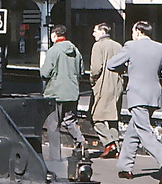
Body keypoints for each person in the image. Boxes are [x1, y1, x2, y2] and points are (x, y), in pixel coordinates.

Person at [107, 21, 162, 184]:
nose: (132, 34)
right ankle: (125, 167)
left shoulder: (131, 46)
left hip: (137, 95)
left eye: (133, 31)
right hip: (154, 95)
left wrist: (127, 68)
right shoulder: (161, 48)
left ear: (138, 32)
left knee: (144, 131)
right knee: (134, 130)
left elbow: (111, 64)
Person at [41, 25, 87, 161]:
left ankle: (55, 155)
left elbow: (45, 73)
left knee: (53, 125)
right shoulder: (75, 50)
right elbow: (81, 72)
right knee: (70, 120)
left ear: (54, 35)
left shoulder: (53, 51)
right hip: (72, 92)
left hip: (55, 93)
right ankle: (81, 142)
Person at [89, 23, 124, 158]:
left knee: (96, 117)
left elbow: (96, 68)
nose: (93, 34)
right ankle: (116, 147)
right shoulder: (118, 45)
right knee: (113, 118)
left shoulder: (98, 46)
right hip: (117, 85)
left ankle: (109, 143)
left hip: (103, 85)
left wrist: (92, 80)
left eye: (95, 31)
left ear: (102, 31)